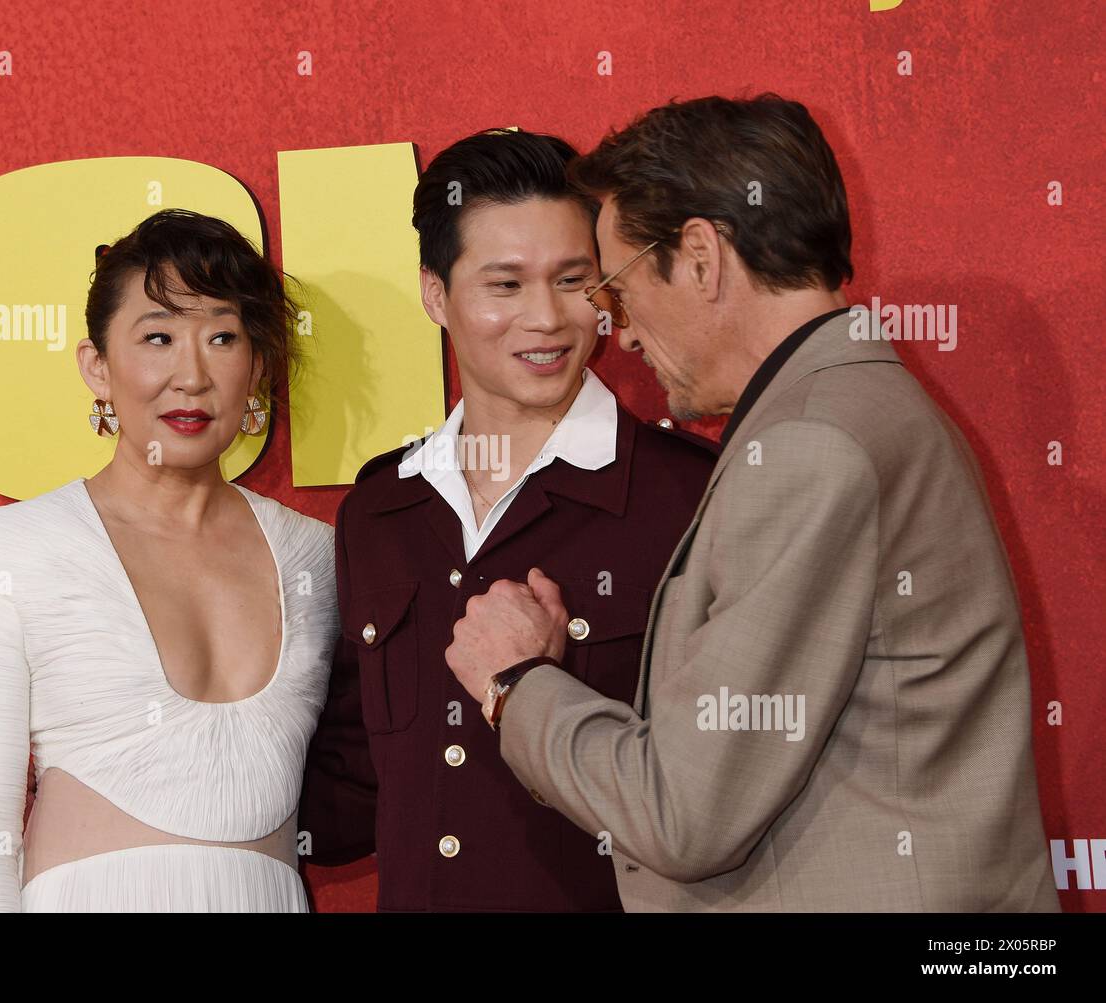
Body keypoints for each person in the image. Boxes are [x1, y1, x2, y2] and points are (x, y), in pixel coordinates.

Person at [446, 95, 1062, 912]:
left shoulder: (811, 444)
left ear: (700, 256)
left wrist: (514, 682)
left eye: (620, 288)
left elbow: (683, 815)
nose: (620, 334)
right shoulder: (852, 408)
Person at [297, 128, 716, 911]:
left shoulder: (688, 498)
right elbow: (349, 785)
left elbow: (721, 788)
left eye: (572, 280)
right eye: (505, 285)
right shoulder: (380, 511)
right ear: (434, 294)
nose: (548, 319)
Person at [0, 209, 337, 911]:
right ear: (98, 367)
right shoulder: (5, 553)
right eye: (158, 338)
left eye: (223, 337)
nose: (191, 375)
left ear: (259, 367)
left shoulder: (318, 557)